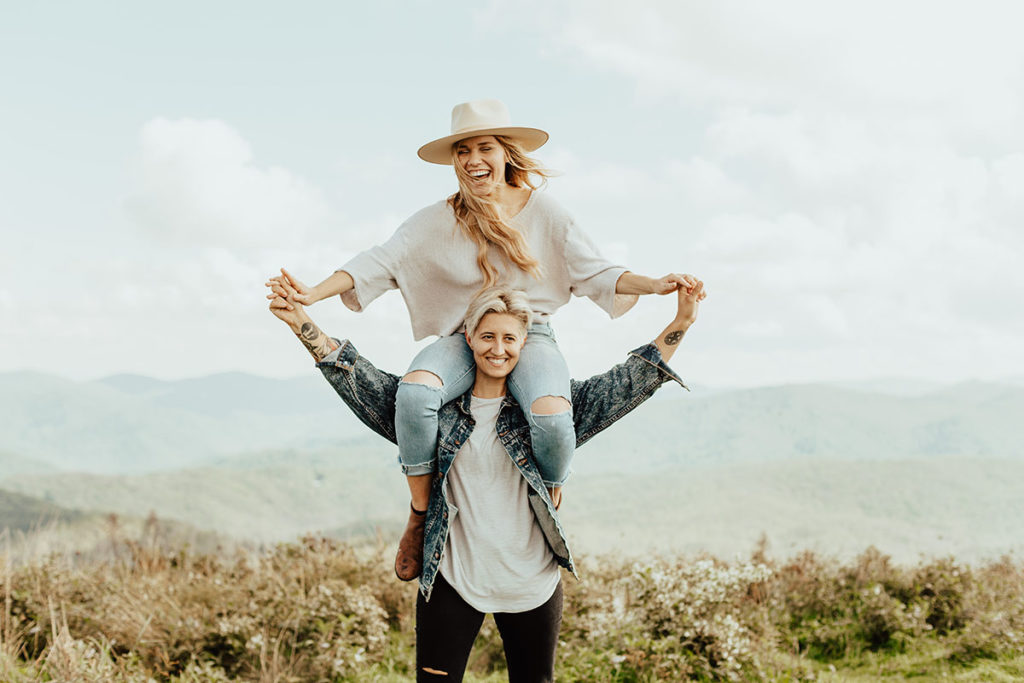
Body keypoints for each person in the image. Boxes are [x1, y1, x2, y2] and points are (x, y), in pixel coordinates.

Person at [266, 99, 702, 581]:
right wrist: (311, 294)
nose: (474, 159)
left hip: (529, 333)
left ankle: (551, 499)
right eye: (463, 150)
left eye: (485, 147)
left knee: (555, 420)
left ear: (506, 153)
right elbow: (378, 261)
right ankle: (419, 511)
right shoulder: (439, 217)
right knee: (413, 395)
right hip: (463, 333)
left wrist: (656, 285)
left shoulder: (546, 213)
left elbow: (597, 271)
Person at [267, 276, 704, 682]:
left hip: (531, 583)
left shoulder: (549, 412)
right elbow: (359, 380)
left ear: (524, 345)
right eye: (488, 336)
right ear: (469, 339)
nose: (499, 348)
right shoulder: (433, 414)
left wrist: (681, 320)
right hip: (454, 579)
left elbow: (627, 382)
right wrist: (300, 321)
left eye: (510, 338)